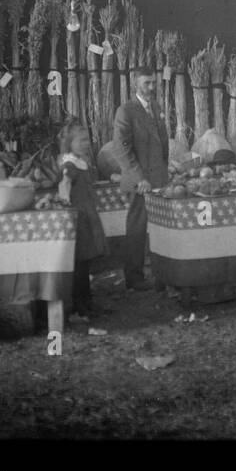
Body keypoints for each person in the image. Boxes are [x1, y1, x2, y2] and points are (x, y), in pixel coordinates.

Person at [114, 71, 170, 291]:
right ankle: (134, 278)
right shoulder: (126, 111)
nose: (151, 87)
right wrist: (140, 179)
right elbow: (121, 149)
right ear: (135, 84)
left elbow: (162, 143)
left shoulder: (156, 107)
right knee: (137, 229)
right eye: (146, 83)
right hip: (140, 181)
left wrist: (166, 169)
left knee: (159, 227)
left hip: (158, 178)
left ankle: (161, 275)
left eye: (153, 83)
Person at [57, 119, 109, 321]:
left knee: (86, 263)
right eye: (80, 141)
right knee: (79, 264)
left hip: (88, 215)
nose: (86, 144)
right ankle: (80, 307)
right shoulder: (70, 164)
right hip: (78, 217)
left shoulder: (82, 162)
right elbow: (65, 184)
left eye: (87, 140)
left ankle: (88, 303)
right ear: (69, 144)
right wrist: (65, 200)